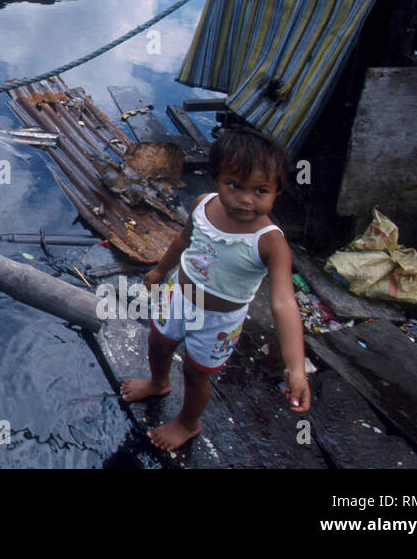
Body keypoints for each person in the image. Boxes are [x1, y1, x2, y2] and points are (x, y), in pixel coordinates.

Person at [120, 125, 310, 450]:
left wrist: (295, 367)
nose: (245, 199)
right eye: (234, 185)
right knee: (159, 342)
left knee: (197, 373)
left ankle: (187, 423)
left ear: (277, 191)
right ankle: (158, 382)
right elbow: (183, 241)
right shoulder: (203, 204)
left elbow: (283, 301)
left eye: (260, 191)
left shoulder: (270, 242)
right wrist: (160, 270)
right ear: (215, 178)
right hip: (179, 294)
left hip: (219, 321)